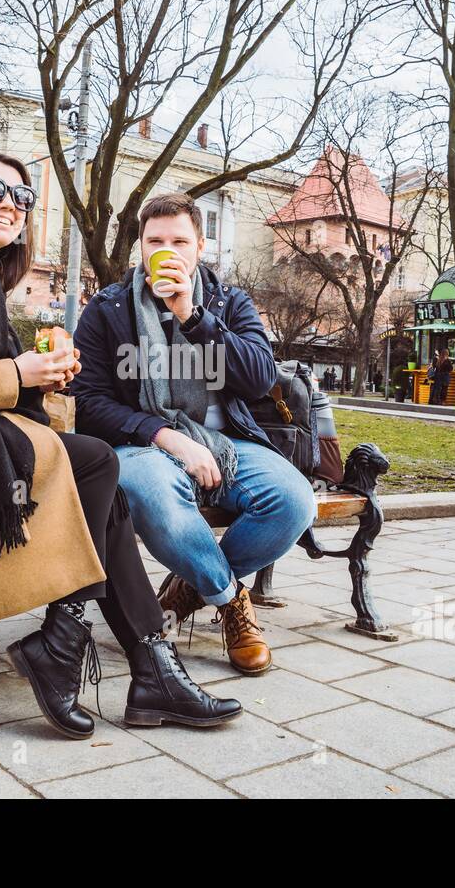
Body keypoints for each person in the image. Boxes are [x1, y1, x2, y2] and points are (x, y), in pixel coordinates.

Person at [0, 152, 239, 740]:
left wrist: (42, 375)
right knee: (97, 464)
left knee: (103, 491)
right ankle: (82, 647)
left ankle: (126, 663)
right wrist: (21, 374)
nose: (9, 202)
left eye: (22, 195)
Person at [72, 192, 316, 677]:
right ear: (140, 247)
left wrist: (193, 316)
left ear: (200, 246)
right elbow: (91, 401)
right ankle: (230, 601)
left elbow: (258, 376)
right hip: (145, 445)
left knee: (294, 501)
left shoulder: (228, 302)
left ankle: (188, 585)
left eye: (179, 240)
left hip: (229, 444)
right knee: (152, 492)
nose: (168, 250)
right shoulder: (106, 309)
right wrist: (165, 435)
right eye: (155, 240)